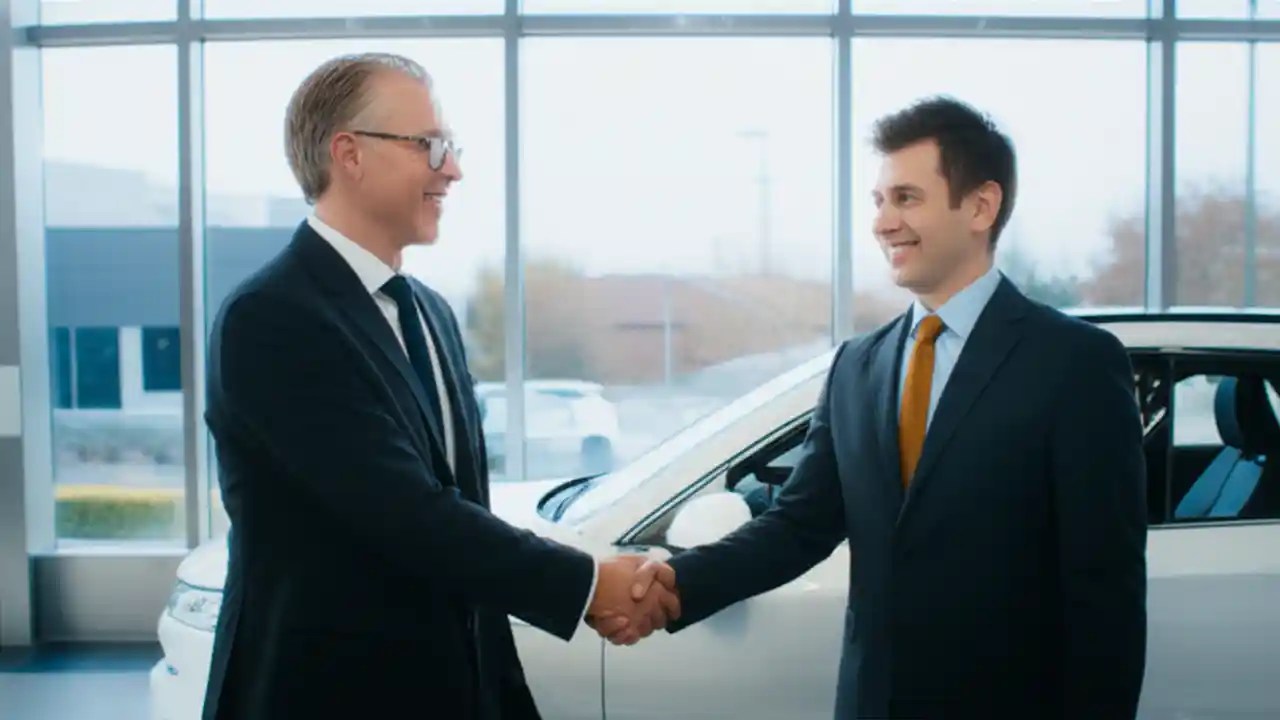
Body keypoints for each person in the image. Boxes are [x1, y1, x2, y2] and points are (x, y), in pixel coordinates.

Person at [625, 96, 1148, 718]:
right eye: (879, 201)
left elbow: (1104, 595)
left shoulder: (1074, 363)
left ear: (981, 205)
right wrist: (678, 583)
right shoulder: (857, 366)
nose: (882, 222)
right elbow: (799, 524)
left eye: (906, 198)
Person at [201, 53, 677, 720]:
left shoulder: (429, 311)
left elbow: (461, 506)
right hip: (326, 692)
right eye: (429, 145)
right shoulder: (273, 317)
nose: (452, 168)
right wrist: (589, 584)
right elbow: (402, 512)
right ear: (349, 154)